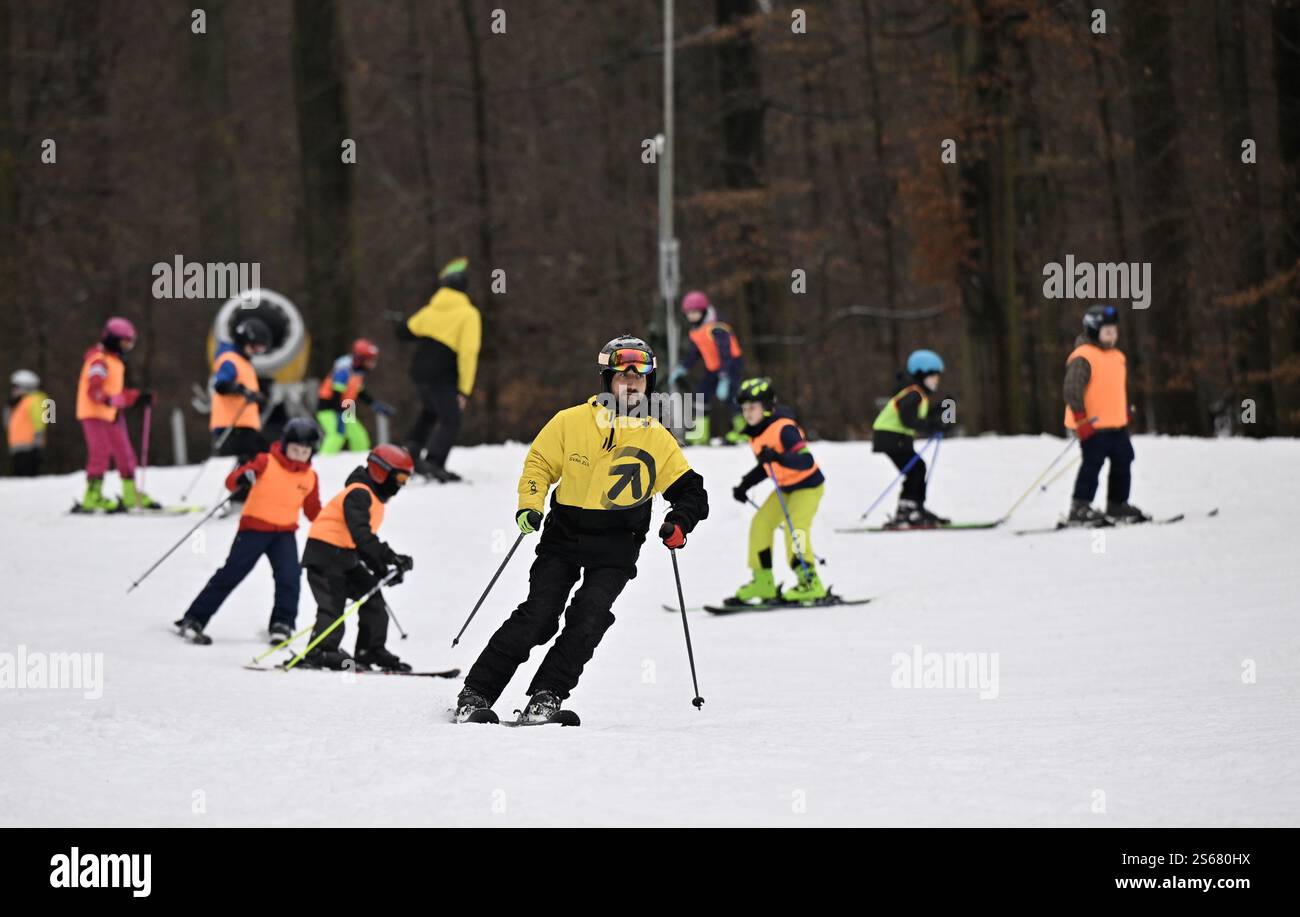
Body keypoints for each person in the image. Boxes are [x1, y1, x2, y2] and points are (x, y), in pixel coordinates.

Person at [455, 334, 709, 724]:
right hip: (564, 535)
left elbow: (692, 492)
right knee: (539, 615)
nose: (630, 387)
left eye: (638, 381)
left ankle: (547, 696)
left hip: (618, 544)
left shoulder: (656, 438)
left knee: (589, 617)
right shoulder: (570, 422)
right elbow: (539, 464)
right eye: (622, 379)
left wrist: (679, 522)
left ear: (648, 385)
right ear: (606, 381)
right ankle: (476, 693)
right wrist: (530, 505)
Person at [174, 419, 323, 645]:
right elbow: (232, 481)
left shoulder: (309, 477)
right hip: (254, 530)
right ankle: (194, 618)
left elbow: (313, 512)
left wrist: (335, 521)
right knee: (232, 574)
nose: (300, 454)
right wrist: (243, 477)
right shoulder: (266, 461)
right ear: (284, 445)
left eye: (305, 450)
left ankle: (282, 623)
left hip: (284, 534)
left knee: (289, 577)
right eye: (295, 449)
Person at [299, 444, 415, 671]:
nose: (401, 485)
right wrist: (389, 556)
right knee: (333, 602)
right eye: (399, 478)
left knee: (372, 596)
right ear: (382, 472)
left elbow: (361, 544)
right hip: (325, 554)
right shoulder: (359, 493)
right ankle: (321, 651)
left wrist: (383, 569)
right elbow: (361, 535)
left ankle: (369, 651)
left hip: (344, 556)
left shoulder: (372, 497)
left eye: (405, 480)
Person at [730, 377, 827, 604]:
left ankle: (810, 582)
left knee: (795, 529)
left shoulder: (784, 429)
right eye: (744, 409)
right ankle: (763, 582)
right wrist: (745, 485)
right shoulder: (757, 432)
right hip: (786, 488)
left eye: (752, 408)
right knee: (760, 524)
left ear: (767, 407)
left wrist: (779, 456)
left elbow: (805, 460)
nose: (747, 413)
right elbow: (767, 466)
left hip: (808, 487)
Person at [396, 257, 481, 482]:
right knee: (451, 419)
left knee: (429, 412)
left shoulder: (431, 308)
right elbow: (468, 353)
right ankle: (434, 462)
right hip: (442, 373)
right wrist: (464, 390)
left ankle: (409, 458)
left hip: (419, 370)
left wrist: (399, 323)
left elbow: (406, 331)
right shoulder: (468, 314)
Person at [1064, 304, 1146, 525]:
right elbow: (1072, 390)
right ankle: (1080, 507)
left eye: (1114, 331)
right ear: (1093, 331)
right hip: (1092, 425)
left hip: (1116, 425)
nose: (1112, 335)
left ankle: (1117, 504)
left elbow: (1113, 389)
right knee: (1093, 464)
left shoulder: (1117, 357)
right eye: (1106, 331)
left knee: (1124, 460)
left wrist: (1124, 410)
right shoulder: (1083, 357)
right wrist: (1080, 420)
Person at [73, 317, 159, 512]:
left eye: (130, 342)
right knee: (100, 454)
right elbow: (94, 390)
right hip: (94, 414)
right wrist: (109, 399)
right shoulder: (99, 360)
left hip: (110, 415)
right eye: (125, 342)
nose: (127, 347)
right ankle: (92, 496)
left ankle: (130, 494)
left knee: (125, 453)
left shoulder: (115, 361)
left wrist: (137, 398)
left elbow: (116, 394)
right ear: (113, 339)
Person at [871, 349, 952, 527]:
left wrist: (940, 410)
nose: (936, 381)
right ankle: (907, 510)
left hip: (896, 438)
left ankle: (916, 508)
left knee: (917, 468)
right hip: (891, 437)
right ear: (921, 375)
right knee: (915, 469)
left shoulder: (918, 395)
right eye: (933, 377)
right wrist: (934, 425)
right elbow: (908, 420)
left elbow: (918, 417)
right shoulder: (913, 393)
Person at [667, 290, 746, 445]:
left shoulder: (717, 327)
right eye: (689, 313)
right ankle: (701, 433)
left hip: (730, 366)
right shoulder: (696, 330)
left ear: (703, 311)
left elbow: (725, 353)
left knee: (731, 397)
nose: (691, 316)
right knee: (701, 394)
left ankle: (743, 431)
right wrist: (683, 367)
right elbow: (695, 353)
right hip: (713, 368)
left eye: (695, 312)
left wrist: (724, 376)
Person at [315, 338, 393, 455]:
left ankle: (359, 462)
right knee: (337, 435)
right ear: (360, 359)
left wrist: (375, 404)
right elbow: (336, 395)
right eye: (369, 361)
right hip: (328, 408)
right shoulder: (343, 371)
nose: (372, 364)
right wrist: (339, 415)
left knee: (359, 437)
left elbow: (361, 392)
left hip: (347, 407)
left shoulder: (357, 373)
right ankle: (321, 462)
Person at [6, 370, 48, 476]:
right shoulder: (17, 403)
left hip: (30, 447)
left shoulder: (34, 400)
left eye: (16, 387)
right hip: (17, 447)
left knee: (27, 479)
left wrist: (38, 439)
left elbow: (40, 420)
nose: (13, 390)